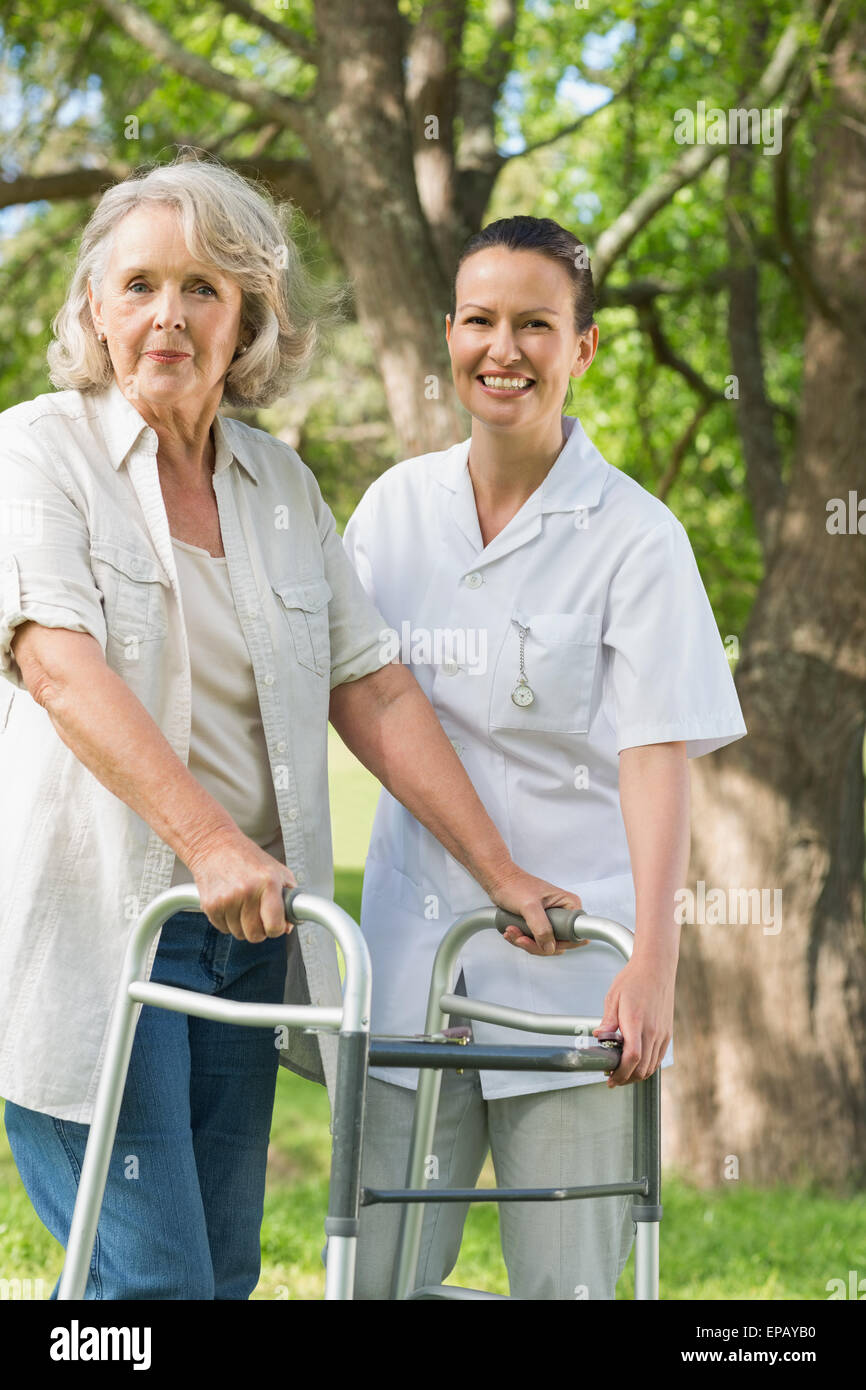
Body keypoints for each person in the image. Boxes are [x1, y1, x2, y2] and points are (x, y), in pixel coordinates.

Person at [0, 162, 581, 1301]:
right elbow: (58, 667)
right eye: (139, 285)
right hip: (100, 931)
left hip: (249, 938)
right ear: (96, 308)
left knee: (218, 1279)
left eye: (203, 288)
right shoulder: (34, 453)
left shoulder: (275, 482)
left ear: (251, 317)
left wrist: (496, 866)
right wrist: (212, 843)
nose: (167, 314)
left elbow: (373, 688)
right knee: (154, 1288)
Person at [342, 214, 748, 1300]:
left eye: (535, 323)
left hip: (573, 974)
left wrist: (650, 963)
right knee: (376, 1276)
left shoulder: (636, 535)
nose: (502, 348)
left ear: (582, 348)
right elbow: (344, 689)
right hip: (409, 951)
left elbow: (656, 756)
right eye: (479, 320)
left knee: (563, 1285)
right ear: (448, 334)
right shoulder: (393, 510)